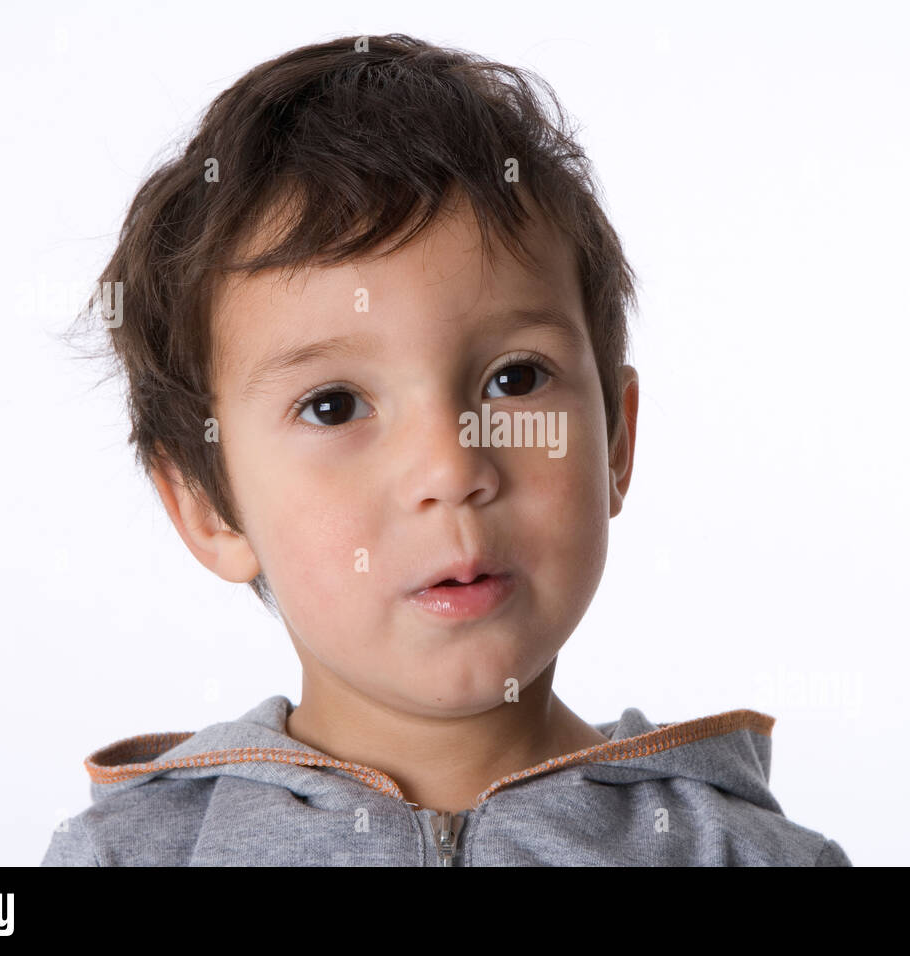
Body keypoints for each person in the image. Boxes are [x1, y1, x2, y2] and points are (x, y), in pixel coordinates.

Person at [44, 33, 852, 866]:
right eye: (334, 405)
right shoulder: (131, 857)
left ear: (616, 437)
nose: (452, 469)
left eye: (514, 380)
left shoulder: (746, 857)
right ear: (209, 507)